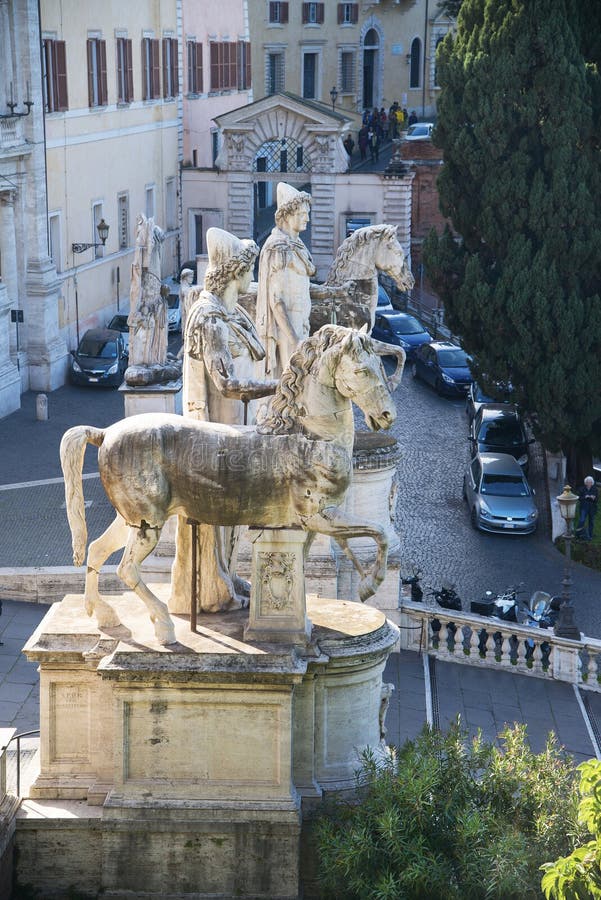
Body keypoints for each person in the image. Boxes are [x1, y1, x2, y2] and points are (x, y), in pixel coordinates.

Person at [170, 228, 277, 614]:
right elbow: (226, 382)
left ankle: (224, 575)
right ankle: (211, 586)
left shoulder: (236, 314)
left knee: (232, 515)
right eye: (250, 268)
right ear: (236, 273)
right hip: (215, 436)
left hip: (240, 432)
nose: (254, 275)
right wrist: (278, 387)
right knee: (218, 515)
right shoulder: (209, 319)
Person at [576, 476, 599, 541]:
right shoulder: (582, 489)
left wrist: (593, 498)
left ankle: (590, 536)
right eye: (588, 482)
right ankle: (578, 534)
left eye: (590, 482)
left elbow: (597, 499)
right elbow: (579, 497)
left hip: (592, 508)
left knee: (591, 522)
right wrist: (585, 497)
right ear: (585, 483)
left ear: (592, 483)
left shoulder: (595, 489)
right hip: (584, 507)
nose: (589, 483)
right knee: (582, 520)